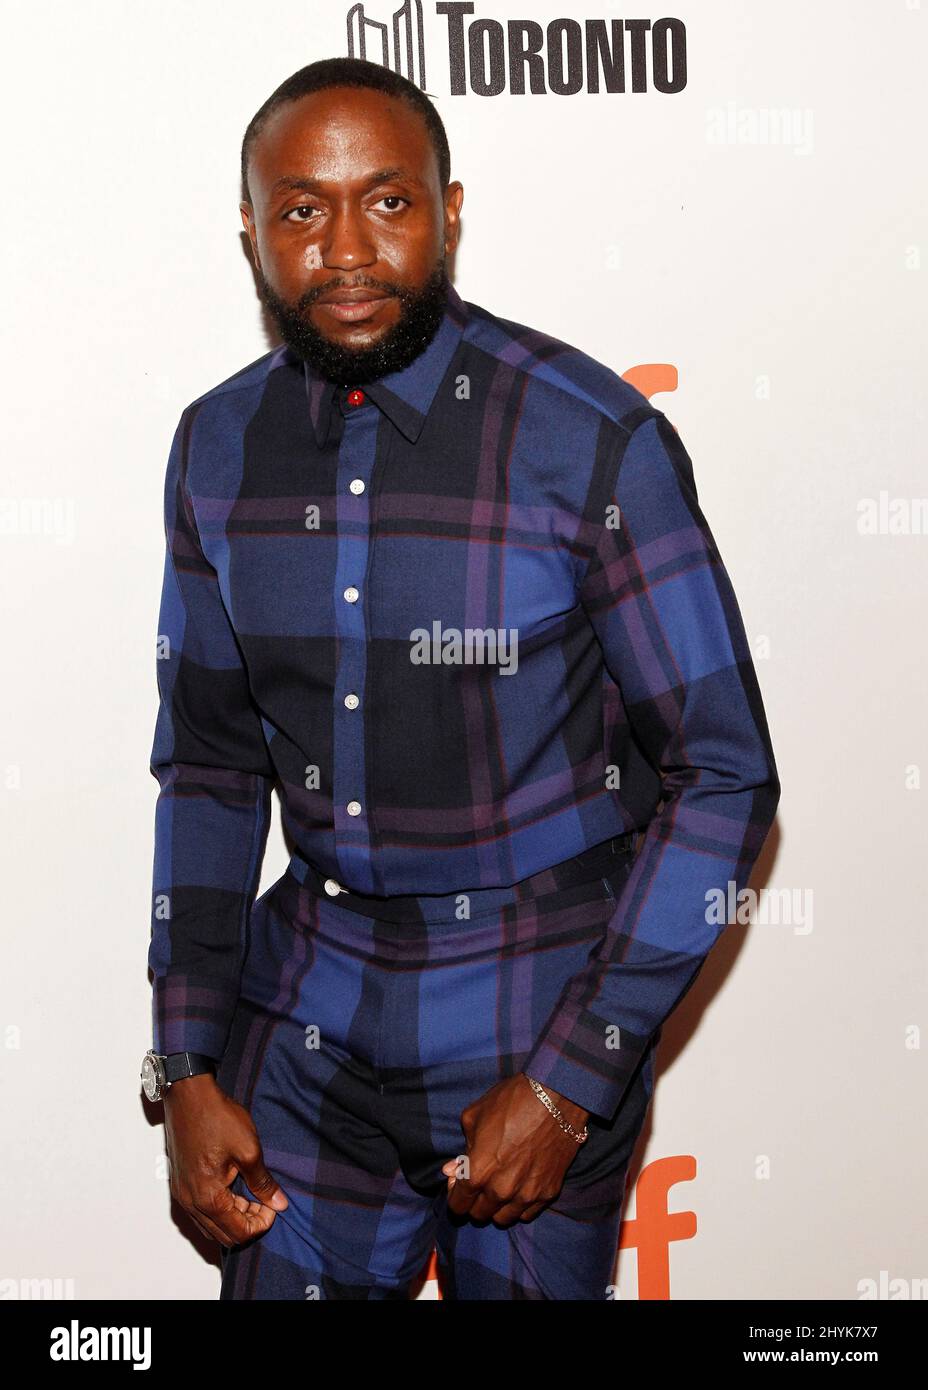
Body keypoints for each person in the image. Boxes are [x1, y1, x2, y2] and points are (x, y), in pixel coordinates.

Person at [144, 56, 780, 1300]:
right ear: (250, 227)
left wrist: (572, 1077)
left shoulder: (588, 435)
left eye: (387, 203)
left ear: (448, 209)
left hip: (531, 1019)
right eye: (300, 208)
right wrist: (187, 1058)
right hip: (303, 1029)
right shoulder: (217, 446)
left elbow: (725, 774)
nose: (344, 250)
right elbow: (210, 767)